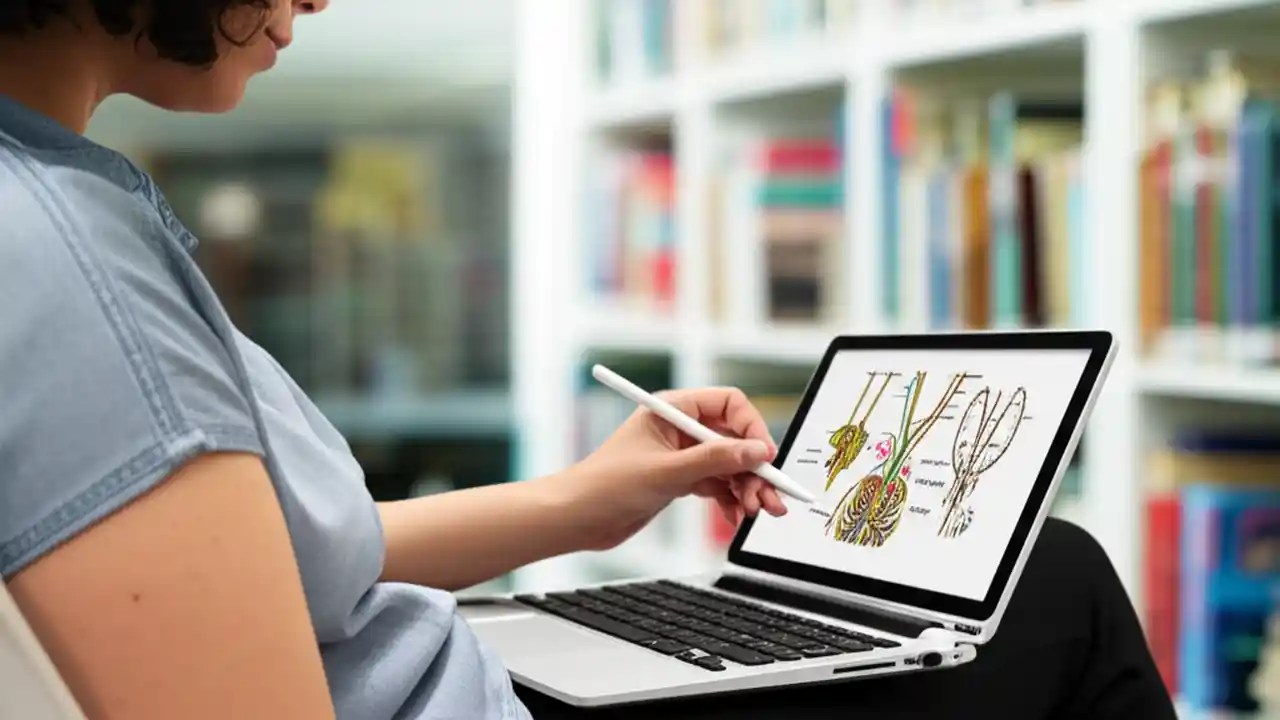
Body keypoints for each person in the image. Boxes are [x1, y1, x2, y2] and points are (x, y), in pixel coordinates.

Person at [0, 2, 1175, 718]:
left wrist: (581, 503)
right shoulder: (69, 263)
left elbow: (260, 574)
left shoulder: (50, 202)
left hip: (452, 675)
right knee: (1052, 583)